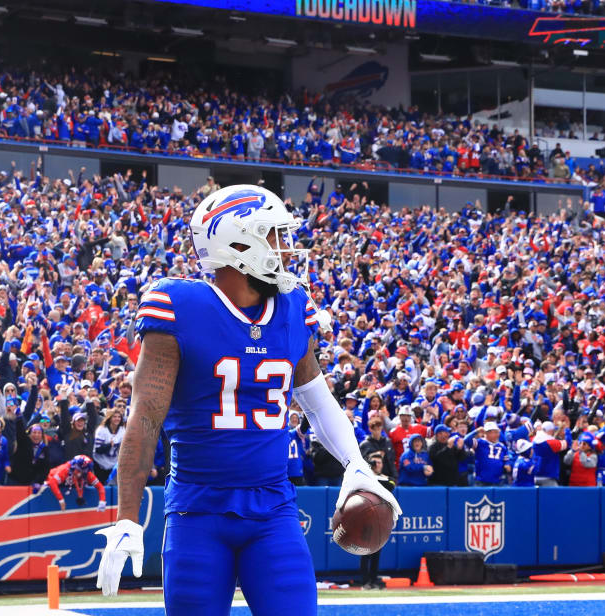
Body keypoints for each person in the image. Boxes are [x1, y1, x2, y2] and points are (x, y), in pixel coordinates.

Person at [95, 184, 401, 613]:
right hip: (196, 512)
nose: (287, 249)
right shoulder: (179, 306)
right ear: (238, 243)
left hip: (273, 508)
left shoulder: (293, 307)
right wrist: (127, 514)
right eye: (274, 235)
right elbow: (144, 418)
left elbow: (317, 400)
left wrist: (357, 465)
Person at [357, 451, 395, 589]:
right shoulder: (365, 477)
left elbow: (391, 485)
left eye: (379, 462)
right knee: (365, 551)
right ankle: (364, 581)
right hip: (366, 518)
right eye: (374, 462)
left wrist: (378, 476)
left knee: (376, 552)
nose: (377, 465)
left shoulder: (384, 479)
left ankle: (373, 580)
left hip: (379, 519)